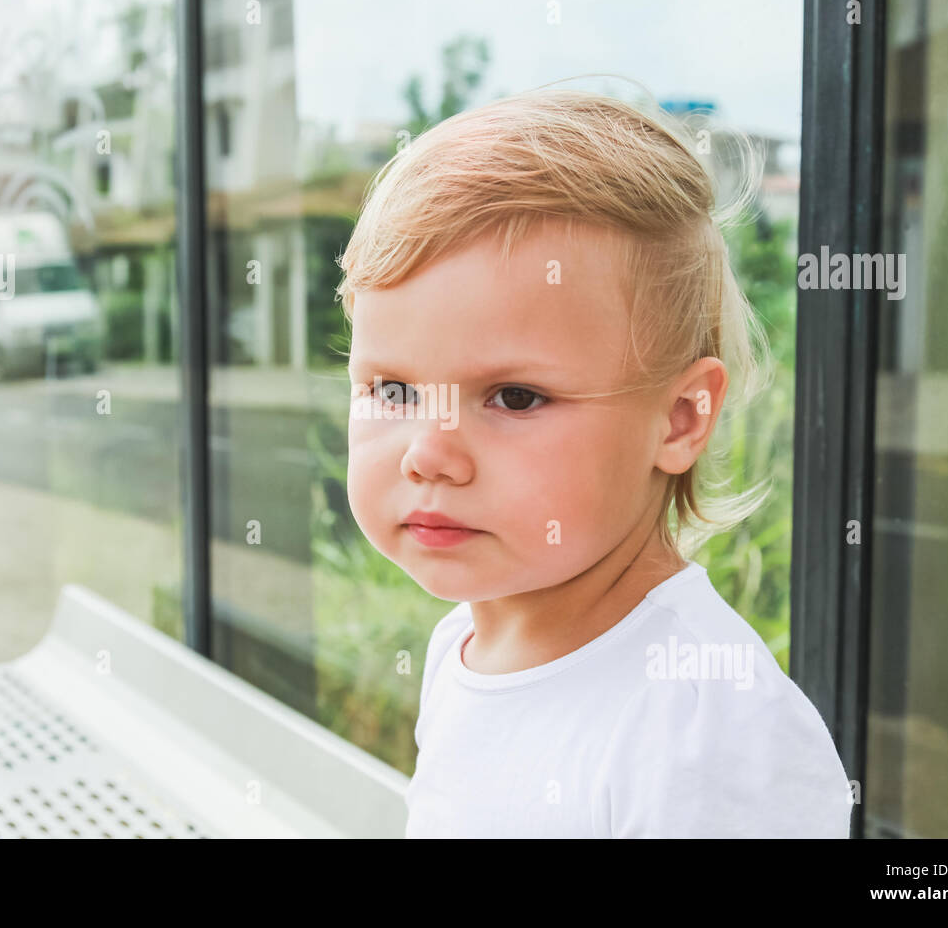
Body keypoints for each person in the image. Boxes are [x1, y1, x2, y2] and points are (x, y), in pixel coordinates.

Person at [336, 84, 851, 838]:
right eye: (394, 390)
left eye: (513, 398)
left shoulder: (703, 726)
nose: (429, 454)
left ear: (679, 420)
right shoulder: (463, 646)